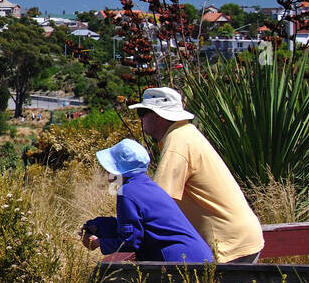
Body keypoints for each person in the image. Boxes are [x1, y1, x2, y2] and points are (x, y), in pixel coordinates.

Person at [128, 87, 264, 264]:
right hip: (239, 237)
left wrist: (120, 230)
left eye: (142, 112)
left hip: (226, 244)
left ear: (158, 116)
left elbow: (157, 202)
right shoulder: (187, 133)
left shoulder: (178, 142)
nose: (140, 119)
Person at [81, 138, 214, 263]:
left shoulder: (127, 192)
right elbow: (136, 229)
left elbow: (131, 241)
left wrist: (99, 242)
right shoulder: (148, 186)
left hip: (180, 262)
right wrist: (99, 226)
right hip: (198, 257)